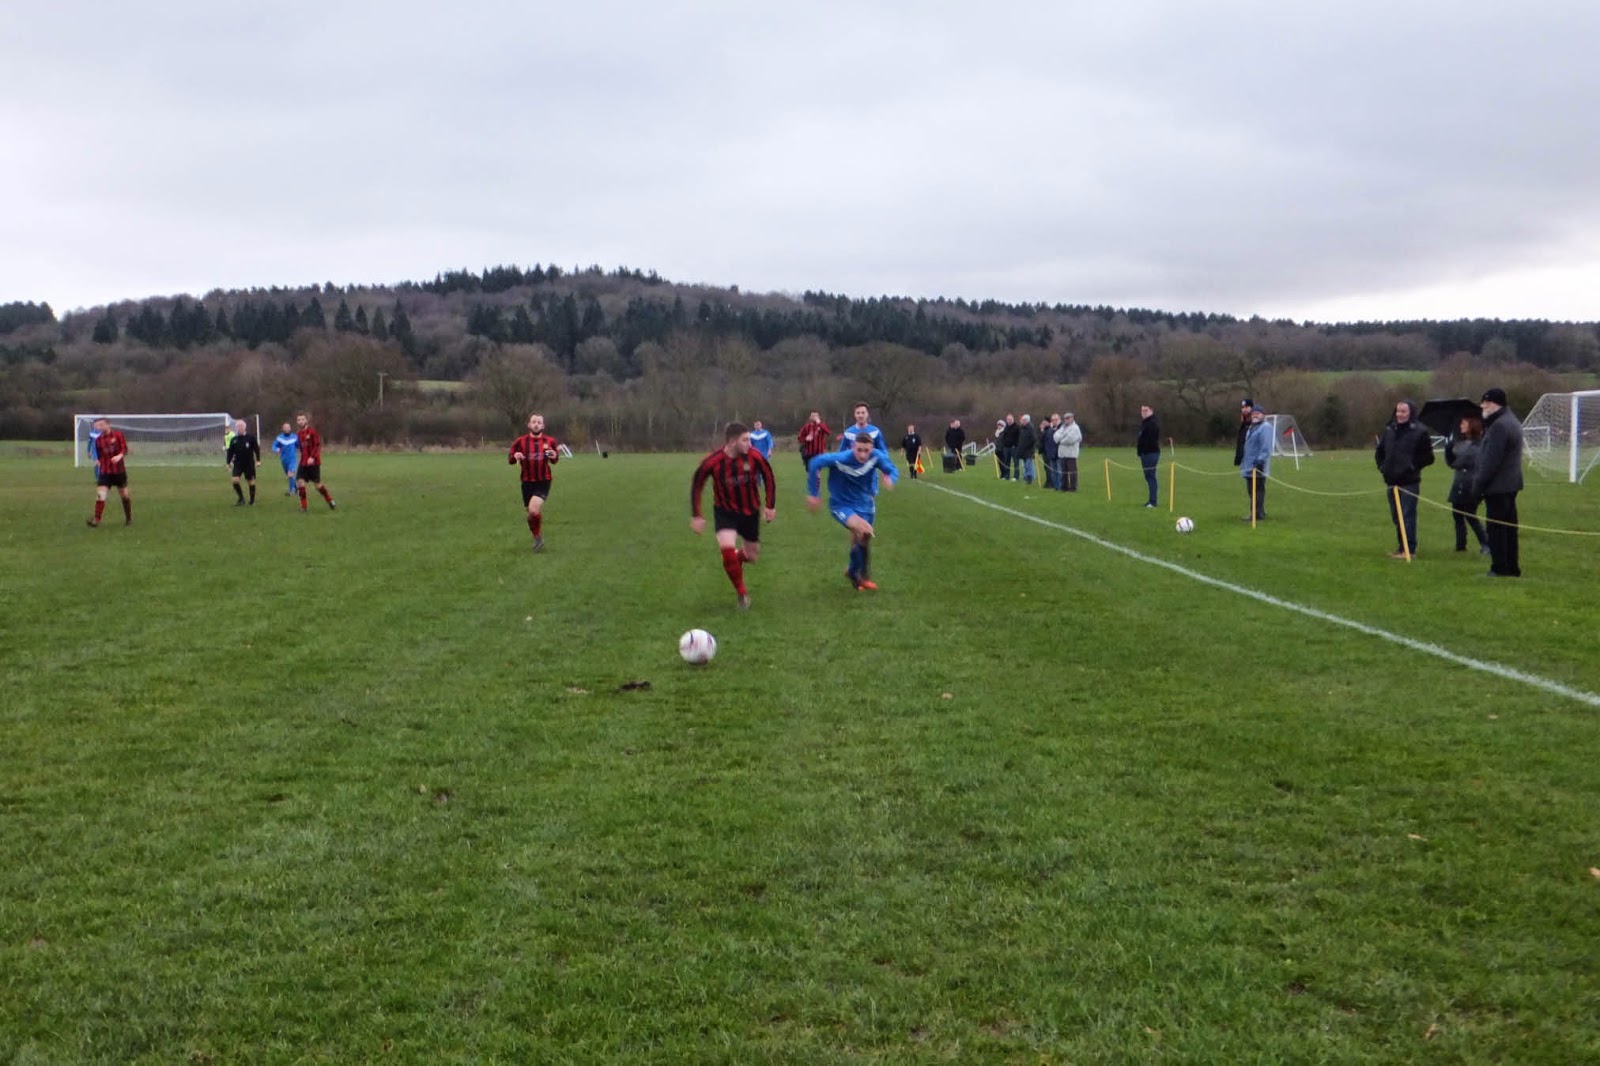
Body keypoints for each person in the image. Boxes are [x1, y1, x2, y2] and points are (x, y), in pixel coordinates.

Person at [690, 421, 776, 610]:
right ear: (732, 441)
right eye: (745, 440)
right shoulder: (713, 461)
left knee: (752, 556)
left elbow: (768, 476)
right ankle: (742, 594)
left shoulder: (754, 456)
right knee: (727, 549)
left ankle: (737, 558)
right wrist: (697, 514)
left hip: (750, 511)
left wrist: (770, 505)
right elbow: (697, 484)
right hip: (725, 512)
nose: (750, 444)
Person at [807, 433, 898, 590]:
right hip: (841, 505)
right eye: (859, 450)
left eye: (866, 450)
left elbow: (892, 469)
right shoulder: (841, 458)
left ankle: (852, 571)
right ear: (852, 447)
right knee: (863, 529)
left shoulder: (877, 456)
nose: (862, 455)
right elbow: (815, 462)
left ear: (872, 449)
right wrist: (814, 494)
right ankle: (861, 576)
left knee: (864, 537)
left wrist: (890, 478)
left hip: (865, 504)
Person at [1471, 387, 1524, 578]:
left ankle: (1499, 568)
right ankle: (1511, 567)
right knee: (1509, 528)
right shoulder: (1511, 420)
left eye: (1485, 403)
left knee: (1497, 528)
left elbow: (1491, 461)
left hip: (1498, 486)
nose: (1482, 406)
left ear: (1495, 404)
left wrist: (1477, 487)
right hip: (1510, 484)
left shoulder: (1499, 426)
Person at [1374, 399, 1434, 558]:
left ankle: (1409, 550)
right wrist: (1383, 467)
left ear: (1411, 413)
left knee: (1407, 516)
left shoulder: (1420, 431)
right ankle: (1402, 547)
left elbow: (1428, 457)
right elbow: (1380, 451)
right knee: (1396, 516)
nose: (1399, 414)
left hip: (1409, 482)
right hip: (1391, 481)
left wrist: (1411, 466)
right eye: (1398, 411)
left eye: (1403, 411)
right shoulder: (1390, 429)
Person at [509, 412, 561, 550]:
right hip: (527, 482)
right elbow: (510, 458)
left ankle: (538, 539)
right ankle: (538, 538)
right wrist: (515, 455)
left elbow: (555, 460)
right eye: (534, 422)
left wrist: (554, 455)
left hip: (543, 481)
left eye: (539, 422)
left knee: (533, 509)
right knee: (531, 514)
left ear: (543, 426)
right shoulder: (521, 441)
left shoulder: (549, 441)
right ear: (529, 425)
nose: (536, 424)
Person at [1444, 413, 1489, 555]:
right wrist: (1448, 450)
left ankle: (1486, 544)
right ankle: (1460, 545)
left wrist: (1454, 454)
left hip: (1471, 485)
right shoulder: (1460, 443)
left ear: (1472, 426)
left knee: (1470, 515)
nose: (1461, 426)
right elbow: (1452, 463)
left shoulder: (1478, 445)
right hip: (1459, 483)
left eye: (1464, 423)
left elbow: (1462, 462)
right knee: (1457, 515)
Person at [85, 417, 131, 526]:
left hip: (119, 471)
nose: (99, 427)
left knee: (124, 495)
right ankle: (96, 520)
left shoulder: (118, 435)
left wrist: (119, 456)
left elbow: (124, 449)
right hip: (105, 471)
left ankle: (128, 518)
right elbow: (99, 455)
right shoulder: (98, 440)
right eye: (97, 425)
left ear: (108, 424)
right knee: (100, 495)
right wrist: (97, 461)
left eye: (101, 425)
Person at [294, 411, 338, 514]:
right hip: (303, 463)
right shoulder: (298, 434)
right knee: (300, 482)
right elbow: (299, 447)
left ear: (306, 420)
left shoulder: (312, 432)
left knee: (317, 485)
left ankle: (330, 500)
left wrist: (312, 457)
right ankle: (304, 507)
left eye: (302, 419)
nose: (301, 421)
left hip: (314, 463)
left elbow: (318, 445)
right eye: (299, 420)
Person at [1239, 405, 1271, 520]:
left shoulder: (1265, 427)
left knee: (1257, 490)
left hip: (1257, 466)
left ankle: (1256, 514)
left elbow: (1266, 447)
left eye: (1258, 413)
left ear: (1263, 415)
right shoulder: (1252, 427)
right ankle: (1260, 511)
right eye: (1253, 414)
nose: (1255, 416)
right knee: (1252, 491)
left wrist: (1260, 461)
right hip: (1248, 466)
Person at [225, 419, 262, 506]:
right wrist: (228, 463)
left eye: (241, 427)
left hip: (249, 463)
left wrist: (258, 460)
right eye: (238, 427)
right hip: (238, 463)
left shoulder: (251, 438)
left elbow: (256, 449)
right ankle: (241, 499)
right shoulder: (234, 440)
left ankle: (252, 501)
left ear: (245, 428)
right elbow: (230, 452)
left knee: (251, 481)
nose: (240, 428)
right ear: (236, 428)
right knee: (235, 480)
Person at [1135, 404, 1161, 507]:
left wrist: (1143, 449)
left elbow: (1149, 439)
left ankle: (1153, 502)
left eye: (1146, 410)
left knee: (1150, 477)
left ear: (1151, 411)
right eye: (1142, 410)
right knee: (1148, 477)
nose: (1143, 412)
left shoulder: (1152, 423)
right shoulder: (1145, 423)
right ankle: (1151, 500)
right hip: (1145, 454)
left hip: (1150, 453)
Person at [1055, 412, 1082, 492]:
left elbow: (1070, 439)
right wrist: (1062, 438)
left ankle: (1073, 487)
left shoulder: (1075, 428)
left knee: (1072, 471)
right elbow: (1056, 435)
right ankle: (1064, 487)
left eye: (1068, 418)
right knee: (1063, 472)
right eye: (1065, 418)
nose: (1066, 420)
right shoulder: (1063, 427)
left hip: (1071, 454)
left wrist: (1060, 440)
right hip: (1062, 454)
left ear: (1072, 418)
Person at [271, 422, 299, 495]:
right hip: (284, 460)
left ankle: (290, 491)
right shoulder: (279, 438)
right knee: (290, 476)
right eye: (285, 427)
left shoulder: (294, 437)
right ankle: (296, 488)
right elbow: (274, 446)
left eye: (288, 427)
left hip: (292, 459)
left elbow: (299, 446)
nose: (287, 429)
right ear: (283, 429)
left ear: (290, 428)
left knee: (290, 474)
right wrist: (276, 449)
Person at [1015, 414, 1039, 485]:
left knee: (1029, 465)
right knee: (1025, 465)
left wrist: (1027, 445)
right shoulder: (1022, 428)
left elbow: (1034, 439)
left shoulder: (1030, 428)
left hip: (1029, 450)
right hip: (1023, 450)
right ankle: (1026, 477)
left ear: (1027, 420)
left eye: (1023, 420)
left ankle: (1029, 478)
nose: (1022, 421)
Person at [1040, 413, 1061, 489]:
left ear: (1059, 420)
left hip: (1059, 453)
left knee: (1059, 470)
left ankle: (1060, 486)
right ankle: (1055, 486)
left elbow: (1057, 440)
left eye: (1056, 420)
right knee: (1053, 470)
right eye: (1053, 420)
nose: (1054, 421)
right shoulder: (1049, 430)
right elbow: (1046, 441)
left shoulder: (1061, 428)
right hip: (1051, 453)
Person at [1232, 398, 1254, 468]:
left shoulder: (1255, 425)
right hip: (1244, 462)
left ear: (1251, 408)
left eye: (1246, 407)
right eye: (1243, 407)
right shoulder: (1243, 425)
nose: (1244, 409)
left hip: (1253, 463)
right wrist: (1239, 459)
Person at [999, 414, 1020, 480]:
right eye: (1008, 419)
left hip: (1014, 448)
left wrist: (1015, 445)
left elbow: (1019, 437)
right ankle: (1007, 476)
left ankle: (1016, 476)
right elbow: (1004, 436)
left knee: (1016, 462)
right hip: (1006, 447)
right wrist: (1003, 444)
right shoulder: (1006, 427)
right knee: (1006, 462)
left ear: (1013, 419)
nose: (1009, 421)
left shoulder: (1017, 427)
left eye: (1010, 419)